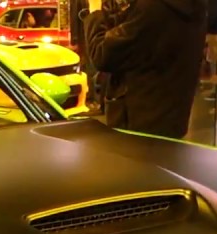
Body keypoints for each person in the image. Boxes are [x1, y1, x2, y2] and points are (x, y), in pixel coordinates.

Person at [84, 0, 207, 138]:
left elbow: (102, 55)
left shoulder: (151, 8)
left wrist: (95, 12)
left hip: (137, 123)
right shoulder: (191, 6)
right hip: (172, 118)